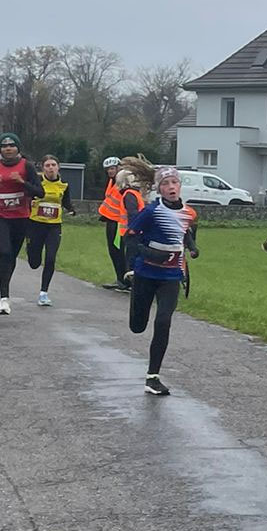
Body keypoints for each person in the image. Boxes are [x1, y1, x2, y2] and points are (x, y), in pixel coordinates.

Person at [121, 162, 197, 395]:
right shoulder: (151, 212)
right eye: (165, 183)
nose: (171, 187)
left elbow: (185, 234)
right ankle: (135, 299)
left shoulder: (190, 213)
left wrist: (193, 249)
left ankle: (152, 377)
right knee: (137, 326)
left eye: (174, 182)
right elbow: (130, 239)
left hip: (171, 276)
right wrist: (146, 255)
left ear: (180, 186)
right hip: (146, 274)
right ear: (159, 189)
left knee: (163, 321)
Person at [0, 134, 41, 315]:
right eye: (4, 146)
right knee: (5, 251)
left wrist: (22, 182)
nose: (8, 148)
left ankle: (2, 284)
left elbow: (39, 192)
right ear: (0, 149)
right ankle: (4, 298)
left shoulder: (27, 166)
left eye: (11, 145)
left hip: (20, 216)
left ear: (18, 148)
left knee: (11, 257)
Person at [24, 155, 76, 305]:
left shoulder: (64, 184)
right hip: (35, 225)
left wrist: (71, 209)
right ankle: (30, 249)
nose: (51, 168)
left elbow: (66, 201)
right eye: (47, 165)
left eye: (53, 165)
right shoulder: (37, 181)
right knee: (34, 263)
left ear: (58, 167)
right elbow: (26, 196)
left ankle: (43, 293)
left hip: (54, 226)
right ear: (43, 168)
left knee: (51, 258)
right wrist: (30, 202)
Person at [97, 157, 130, 289]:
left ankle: (124, 281)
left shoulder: (122, 183)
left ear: (118, 168)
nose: (110, 171)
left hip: (118, 222)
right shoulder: (112, 182)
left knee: (118, 251)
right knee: (114, 251)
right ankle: (120, 279)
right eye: (108, 169)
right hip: (110, 220)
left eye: (112, 168)